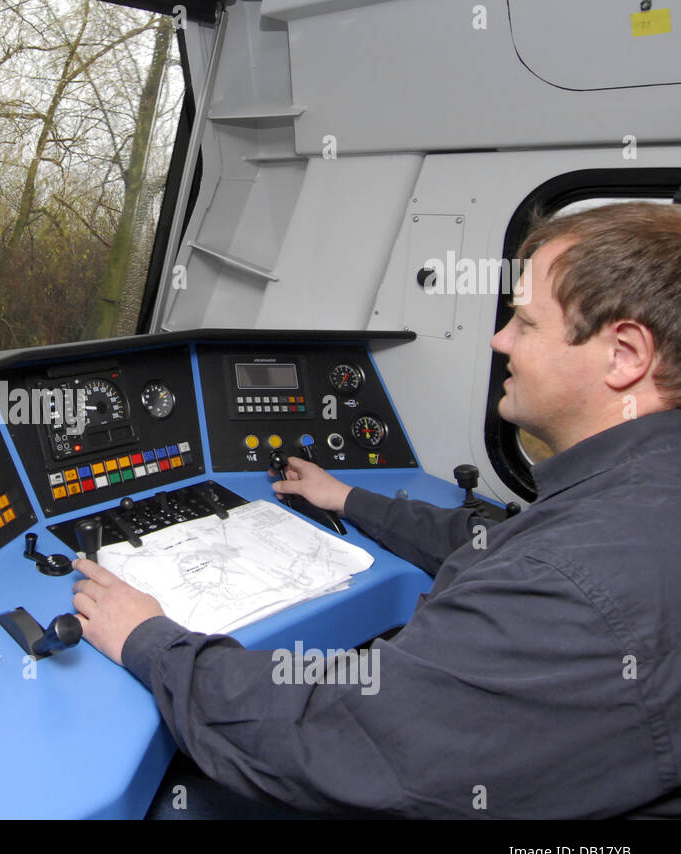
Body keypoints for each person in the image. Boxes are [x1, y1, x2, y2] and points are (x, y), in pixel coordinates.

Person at [70, 201, 681, 818]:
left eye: (524, 324)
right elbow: (505, 542)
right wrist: (348, 499)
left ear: (625, 354)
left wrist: (149, 640)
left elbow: (332, 734)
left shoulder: (573, 583)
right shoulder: (638, 494)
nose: (500, 341)